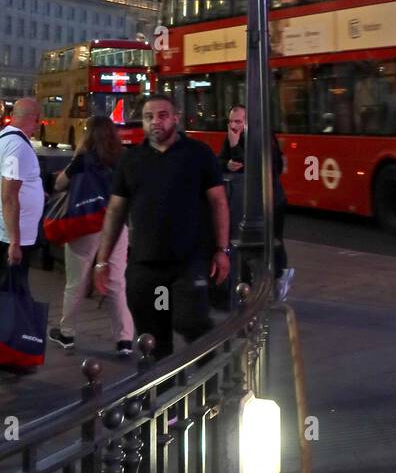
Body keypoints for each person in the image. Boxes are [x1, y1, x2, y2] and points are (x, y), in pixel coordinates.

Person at [93, 95, 230, 362]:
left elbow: (219, 202)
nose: (156, 121)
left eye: (163, 115)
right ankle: (163, 395)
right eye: (149, 116)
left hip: (188, 263)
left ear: (176, 118)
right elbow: (115, 211)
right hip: (149, 269)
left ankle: (213, 377)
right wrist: (102, 260)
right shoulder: (131, 160)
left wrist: (222, 249)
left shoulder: (198, 154)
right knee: (155, 334)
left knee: (190, 321)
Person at [48, 116, 134, 356]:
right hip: (116, 226)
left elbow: (59, 184)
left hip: (85, 224)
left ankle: (67, 333)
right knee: (117, 282)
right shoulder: (123, 158)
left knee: (76, 282)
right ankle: (124, 340)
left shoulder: (83, 160)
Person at [216, 105, 288, 280]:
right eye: (231, 121)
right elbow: (220, 161)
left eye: (238, 121)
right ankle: (250, 283)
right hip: (246, 200)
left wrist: (235, 147)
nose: (233, 125)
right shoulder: (232, 136)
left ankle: (279, 277)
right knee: (247, 243)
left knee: (273, 241)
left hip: (270, 199)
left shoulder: (261, 137)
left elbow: (257, 167)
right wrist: (227, 164)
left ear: (248, 122)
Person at [0, 98, 44, 280]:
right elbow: (9, 195)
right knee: (12, 296)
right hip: (11, 236)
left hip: (7, 233)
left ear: (12, 116)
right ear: (37, 120)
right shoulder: (18, 147)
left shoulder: (5, 139)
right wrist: (15, 242)